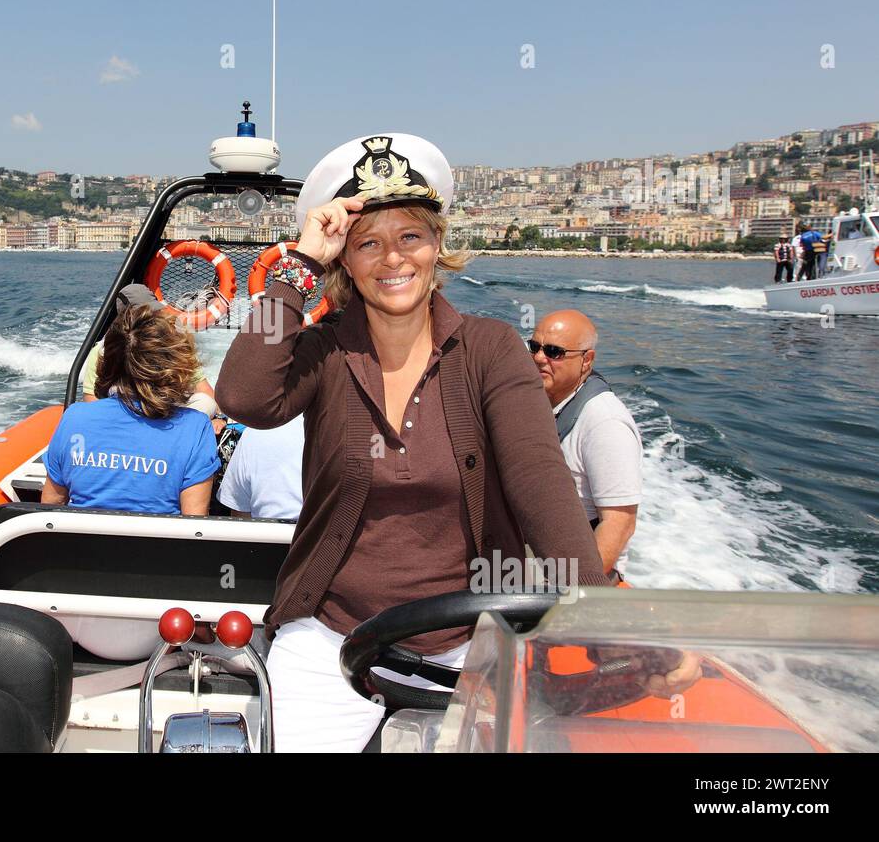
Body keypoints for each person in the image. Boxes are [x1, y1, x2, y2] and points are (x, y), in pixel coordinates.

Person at [217, 133, 695, 753]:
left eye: (410, 237)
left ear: (437, 245)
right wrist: (298, 268)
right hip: (328, 636)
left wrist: (609, 627)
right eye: (368, 243)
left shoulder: (492, 350)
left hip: (467, 638)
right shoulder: (326, 350)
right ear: (345, 262)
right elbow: (244, 395)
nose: (392, 259)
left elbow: (539, 485)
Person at [42, 302, 221, 515]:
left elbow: (50, 507)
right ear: (174, 366)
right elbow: (194, 521)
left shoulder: (75, 418)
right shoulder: (195, 427)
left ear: (108, 361)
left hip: (82, 546)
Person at [529, 310, 642, 582]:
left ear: (586, 360)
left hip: (572, 578)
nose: (539, 358)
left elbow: (620, 523)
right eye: (534, 347)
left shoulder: (605, 423)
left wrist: (566, 591)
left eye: (554, 352)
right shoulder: (544, 400)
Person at [80, 285, 224, 429]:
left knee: (205, 402)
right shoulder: (103, 351)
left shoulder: (174, 345)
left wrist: (210, 418)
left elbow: (204, 390)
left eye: (154, 312)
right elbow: (92, 399)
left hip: (168, 412)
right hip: (124, 412)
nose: (152, 318)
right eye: (145, 315)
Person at [216, 415, 305, 520]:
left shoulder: (256, 432)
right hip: (269, 531)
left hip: (267, 532)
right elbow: (240, 511)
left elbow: (240, 514)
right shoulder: (256, 432)